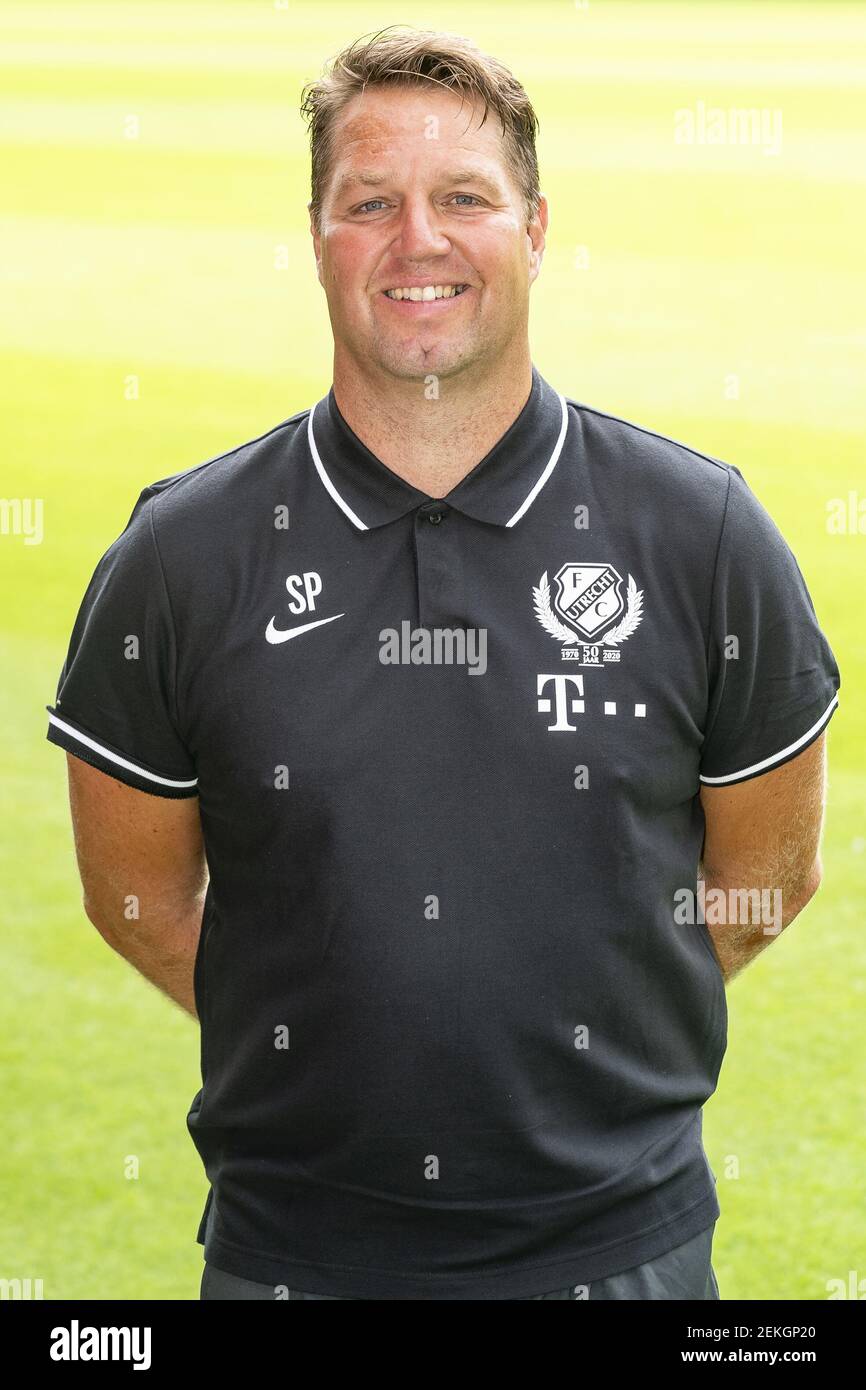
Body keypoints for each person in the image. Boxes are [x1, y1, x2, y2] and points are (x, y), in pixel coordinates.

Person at [45, 26, 840, 1301]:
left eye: (462, 197)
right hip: (292, 1260)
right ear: (316, 235)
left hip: (619, 1256)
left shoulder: (701, 535)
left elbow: (765, 879)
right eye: (370, 203)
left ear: (532, 228)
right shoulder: (180, 557)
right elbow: (139, 901)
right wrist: (348, 1032)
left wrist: (570, 1018)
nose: (418, 239)